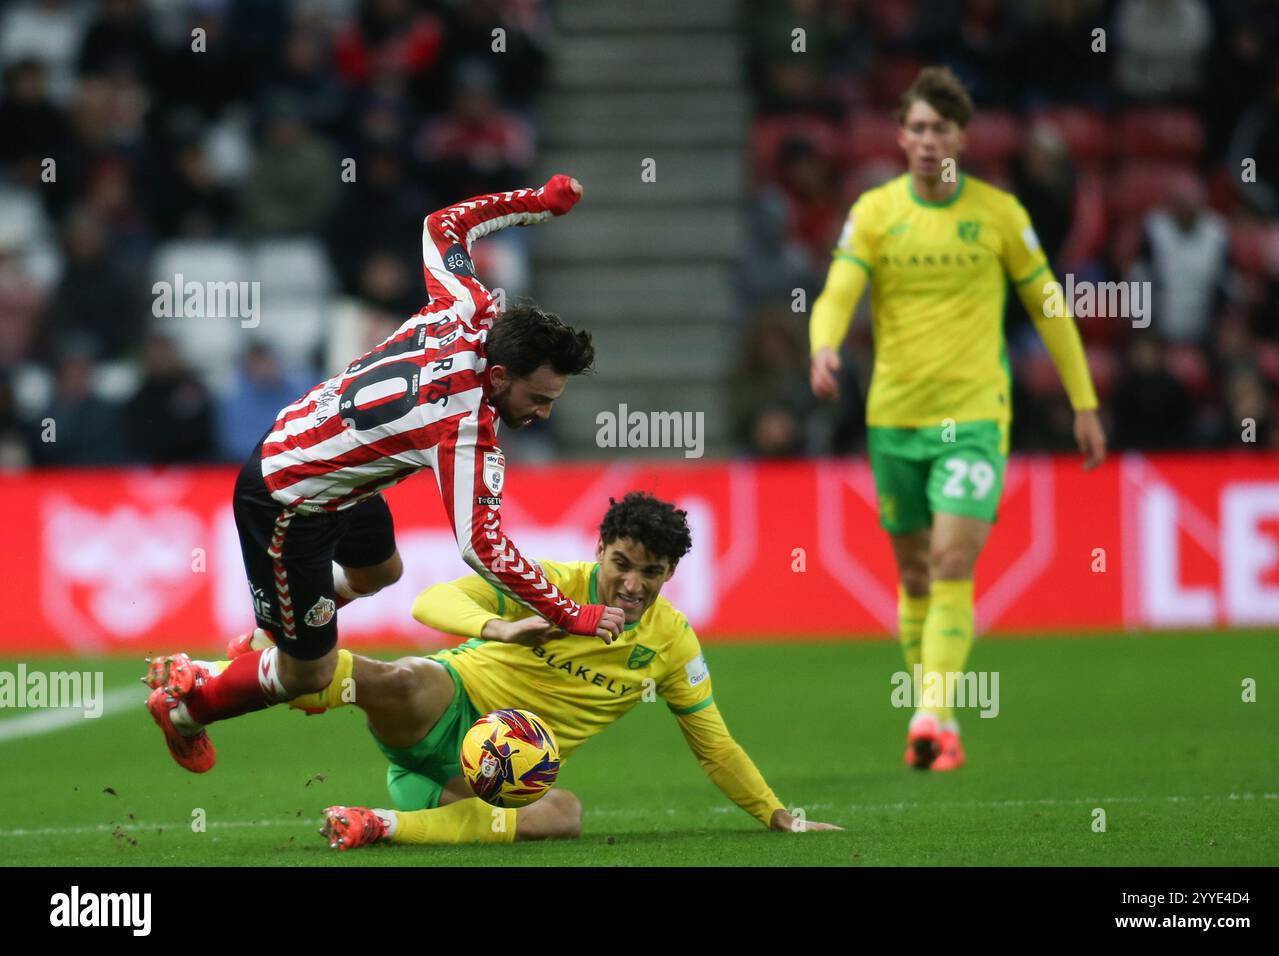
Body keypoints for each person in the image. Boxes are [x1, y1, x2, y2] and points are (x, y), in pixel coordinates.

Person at [145, 175, 625, 773]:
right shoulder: (463, 424)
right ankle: (188, 711)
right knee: (309, 673)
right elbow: (483, 547)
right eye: (540, 396)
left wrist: (538, 205)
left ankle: (274, 632)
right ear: (500, 376)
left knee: (380, 571)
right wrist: (571, 614)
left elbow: (442, 225)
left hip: (331, 468)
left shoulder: (470, 306)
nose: (545, 412)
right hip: (289, 499)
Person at [161, 493, 841, 846]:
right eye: (622, 564)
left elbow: (712, 741)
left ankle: (379, 825)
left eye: (652, 574)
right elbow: (432, 597)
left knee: (565, 814)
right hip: (446, 705)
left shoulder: (672, 646)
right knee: (405, 678)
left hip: (483, 777)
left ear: (671, 574)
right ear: (600, 548)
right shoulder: (547, 582)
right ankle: (212, 679)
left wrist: (777, 815)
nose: (632, 584)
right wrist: (502, 626)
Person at [808, 67, 1105, 771]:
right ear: (900, 135)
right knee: (914, 576)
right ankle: (936, 717)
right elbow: (838, 289)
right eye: (915, 127)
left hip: (973, 416)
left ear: (962, 138)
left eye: (940, 128)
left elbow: (1049, 308)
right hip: (894, 419)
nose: (926, 139)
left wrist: (1083, 402)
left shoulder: (1000, 214)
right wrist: (822, 346)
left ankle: (933, 714)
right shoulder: (876, 211)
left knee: (950, 561)